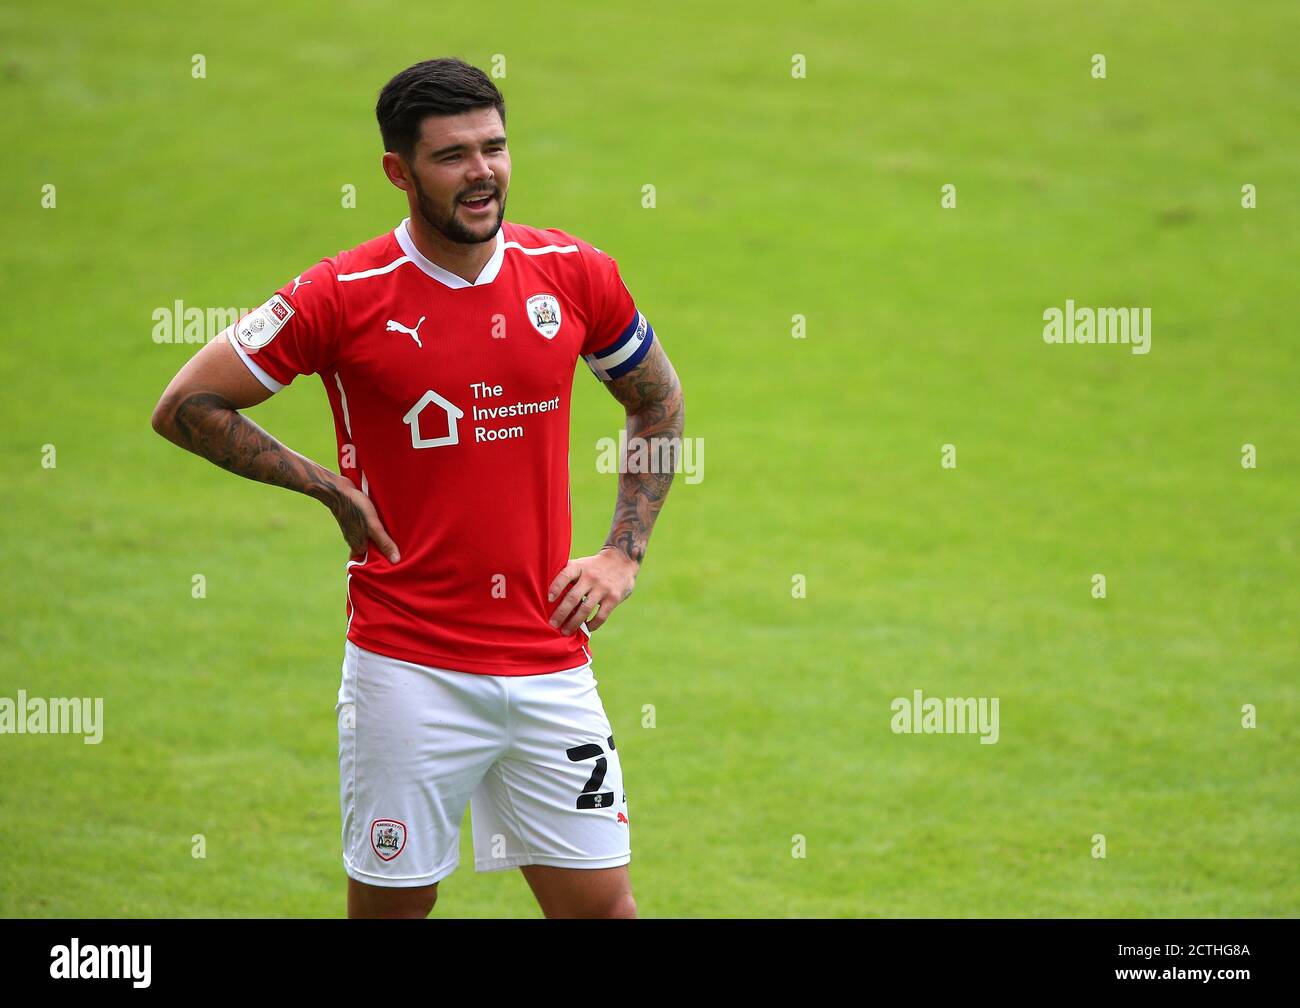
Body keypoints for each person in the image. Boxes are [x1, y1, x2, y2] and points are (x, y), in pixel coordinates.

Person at [150, 57, 684, 919]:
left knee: (604, 912)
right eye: (453, 156)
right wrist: (326, 486)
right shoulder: (340, 294)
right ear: (399, 172)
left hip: (550, 660)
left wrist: (625, 552)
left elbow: (657, 400)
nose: (483, 173)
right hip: (408, 666)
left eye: (495, 148)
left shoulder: (574, 272)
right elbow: (186, 404)